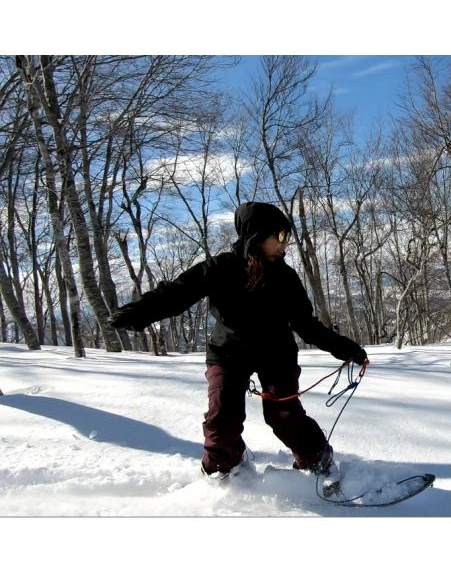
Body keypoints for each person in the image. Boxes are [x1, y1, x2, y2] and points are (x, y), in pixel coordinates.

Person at [109, 202, 368, 480]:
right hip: (228, 353)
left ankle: (318, 461)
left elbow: (306, 325)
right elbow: (177, 293)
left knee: (284, 418)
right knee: (223, 420)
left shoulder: (286, 277)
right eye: (280, 236)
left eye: (287, 237)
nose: (285, 244)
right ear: (256, 236)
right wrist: (137, 313)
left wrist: (347, 349)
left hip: (276, 354)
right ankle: (221, 473)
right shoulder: (221, 268)